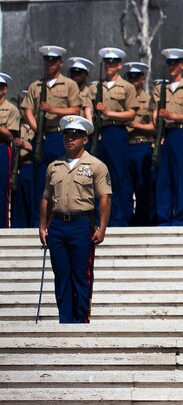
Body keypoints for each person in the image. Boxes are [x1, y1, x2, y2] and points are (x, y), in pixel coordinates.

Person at [38, 115, 111, 324]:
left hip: (81, 224)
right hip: (58, 225)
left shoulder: (96, 165)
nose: (70, 140)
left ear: (85, 139)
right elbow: (46, 199)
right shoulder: (54, 166)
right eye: (67, 136)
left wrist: (103, 227)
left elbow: (105, 197)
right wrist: (43, 226)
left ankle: (80, 318)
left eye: (76, 136)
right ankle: (65, 319)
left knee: (81, 275)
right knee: (61, 275)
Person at [151, 48, 183, 226]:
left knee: (181, 176)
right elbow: (154, 112)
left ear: (182, 65)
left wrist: (174, 117)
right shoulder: (159, 88)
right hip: (165, 134)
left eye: (175, 63)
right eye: (169, 63)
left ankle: (182, 217)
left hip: (180, 132)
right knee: (163, 177)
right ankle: (164, 217)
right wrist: (158, 128)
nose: (171, 66)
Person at [90, 48, 138, 227]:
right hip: (99, 133)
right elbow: (88, 108)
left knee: (118, 176)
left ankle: (119, 216)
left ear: (119, 65)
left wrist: (108, 112)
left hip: (116, 132)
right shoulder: (95, 87)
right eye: (106, 62)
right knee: (97, 178)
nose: (109, 66)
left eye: (112, 62)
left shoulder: (127, 87)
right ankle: (98, 216)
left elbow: (131, 114)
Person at [22, 45, 82, 174]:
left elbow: (75, 110)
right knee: (40, 176)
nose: (50, 64)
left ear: (60, 63)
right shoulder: (35, 85)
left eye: (53, 61)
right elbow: (28, 111)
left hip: (60, 135)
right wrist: (37, 130)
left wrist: (53, 109)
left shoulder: (69, 84)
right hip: (41, 136)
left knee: (61, 174)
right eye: (47, 60)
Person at [124, 62, 154, 227]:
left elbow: (154, 126)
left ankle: (143, 221)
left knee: (143, 186)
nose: (132, 80)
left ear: (142, 79)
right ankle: (127, 219)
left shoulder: (148, 99)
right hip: (126, 145)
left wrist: (138, 126)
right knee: (125, 186)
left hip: (141, 145)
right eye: (129, 77)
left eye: (135, 77)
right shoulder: (121, 96)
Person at [0, 72, 20, 228]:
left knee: (2, 189)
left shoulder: (11, 109)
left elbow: (11, 135)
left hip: (2, 148)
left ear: (5, 89)